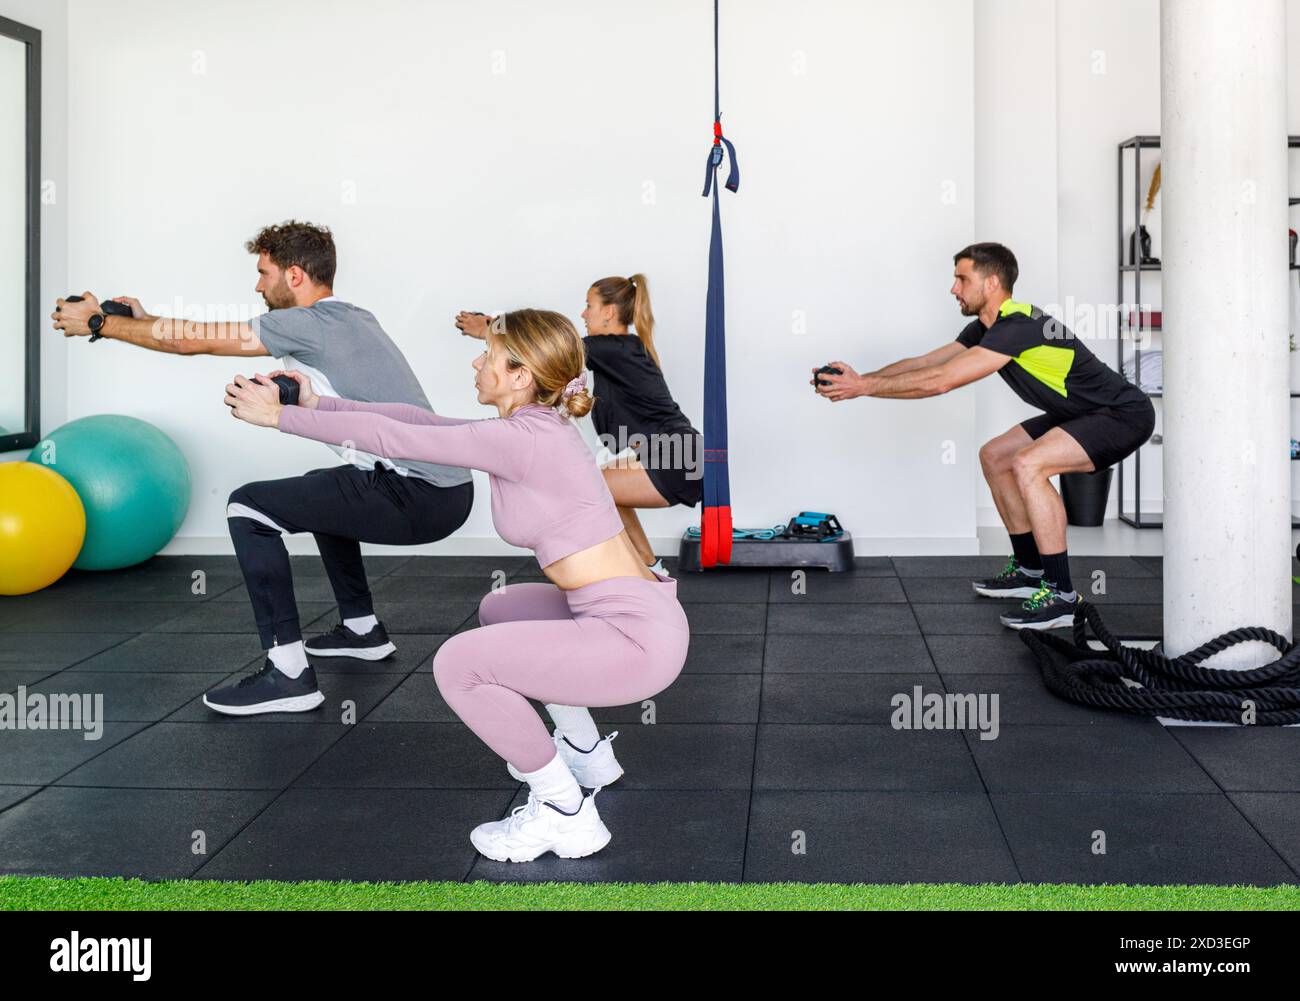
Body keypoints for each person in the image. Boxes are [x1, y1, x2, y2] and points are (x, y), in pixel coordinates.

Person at [226, 308, 690, 861]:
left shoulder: (523, 440)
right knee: (501, 609)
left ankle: (565, 812)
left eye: (488, 356)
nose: (476, 361)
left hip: (637, 639)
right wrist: (317, 404)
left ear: (519, 376)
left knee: (458, 665)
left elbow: (392, 437)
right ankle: (585, 752)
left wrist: (281, 419)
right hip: (628, 613)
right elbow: (413, 421)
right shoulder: (529, 429)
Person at [50, 221, 474, 712]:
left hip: (418, 495)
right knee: (321, 489)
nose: (256, 285)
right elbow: (194, 334)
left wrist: (102, 324)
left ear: (294, 275)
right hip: (446, 492)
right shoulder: (351, 318)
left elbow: (191, 342)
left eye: (263, 272)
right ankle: (362, 629)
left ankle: (289, 674)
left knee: (248, 508)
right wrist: (145, 319)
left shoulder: (306, 324)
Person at [813, 242, 1155, 630]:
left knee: (1029, 464)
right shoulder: (985, 328)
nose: (953, 288)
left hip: (1121, 415)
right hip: (1080, 413)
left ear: (992, 282)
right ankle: (1029, 570)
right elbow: (929, 363)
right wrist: (860, 378)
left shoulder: (1020, 325)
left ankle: (1061, 595)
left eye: (962, 278)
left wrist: (863, 388)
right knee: (995, 455)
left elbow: (941, 382)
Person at [456, 273, 701, 577]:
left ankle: (648, 568)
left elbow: (550, 346)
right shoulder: (621, 349)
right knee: (599, 486)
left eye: (590, 305)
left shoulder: (617, 347)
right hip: (676, 453)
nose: (584, 313)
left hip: (677, 456)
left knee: (595, 488)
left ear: (609, 312)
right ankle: (649, 566)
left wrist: (488, 328)